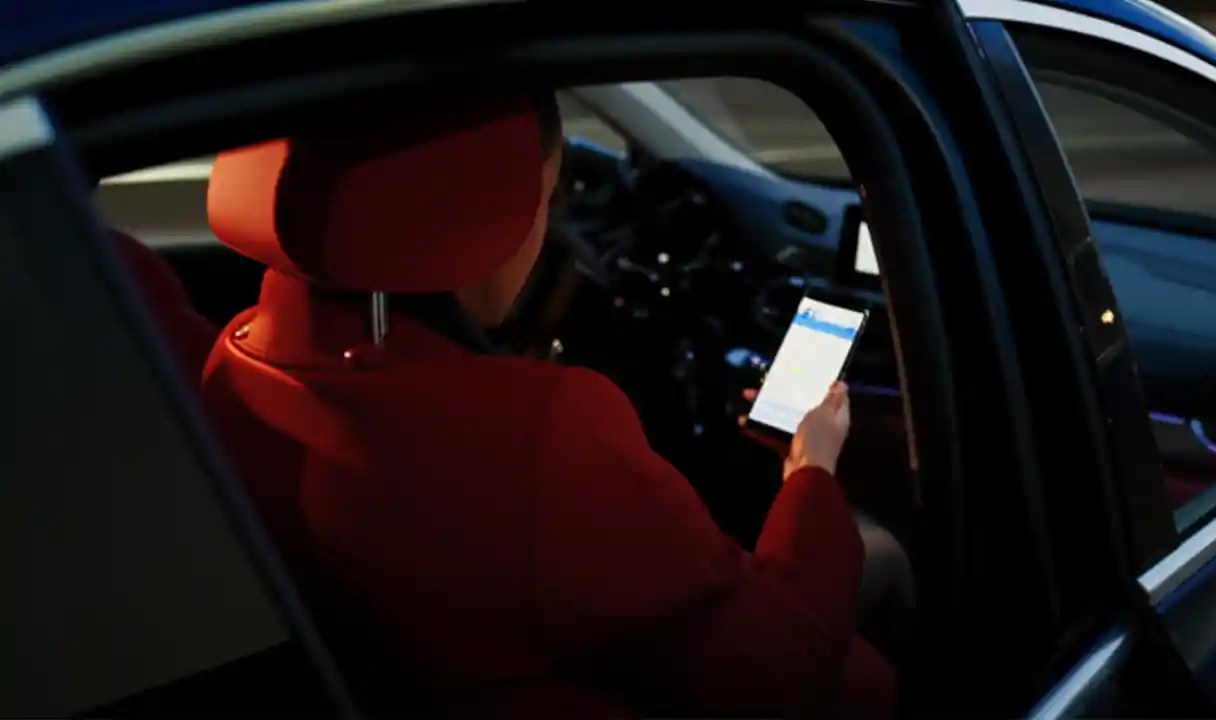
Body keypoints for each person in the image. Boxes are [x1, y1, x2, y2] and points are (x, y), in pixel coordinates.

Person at [202, 94, 899, 718]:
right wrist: (811, 470)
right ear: (486, 208)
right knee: (885, 562)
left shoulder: (232, 362)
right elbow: (776, 673)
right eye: (546, 195)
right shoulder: (540, 428)